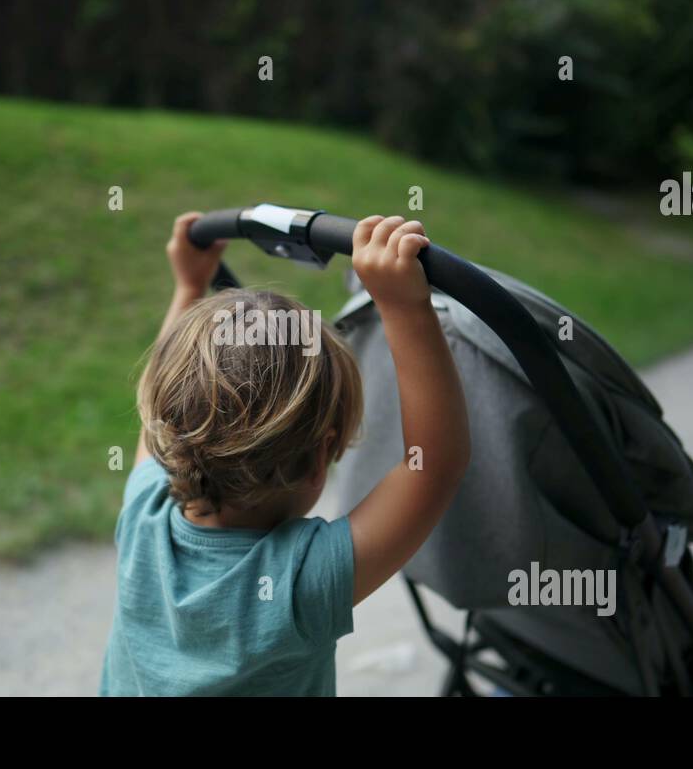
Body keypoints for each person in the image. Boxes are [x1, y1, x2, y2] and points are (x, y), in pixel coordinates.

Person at [100, 211, 470, 695]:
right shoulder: (299, 583)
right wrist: (404, 307)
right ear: (322, 458)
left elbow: (154, 406)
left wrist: (189, 287)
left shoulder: (144, 513)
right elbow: (433, 464)